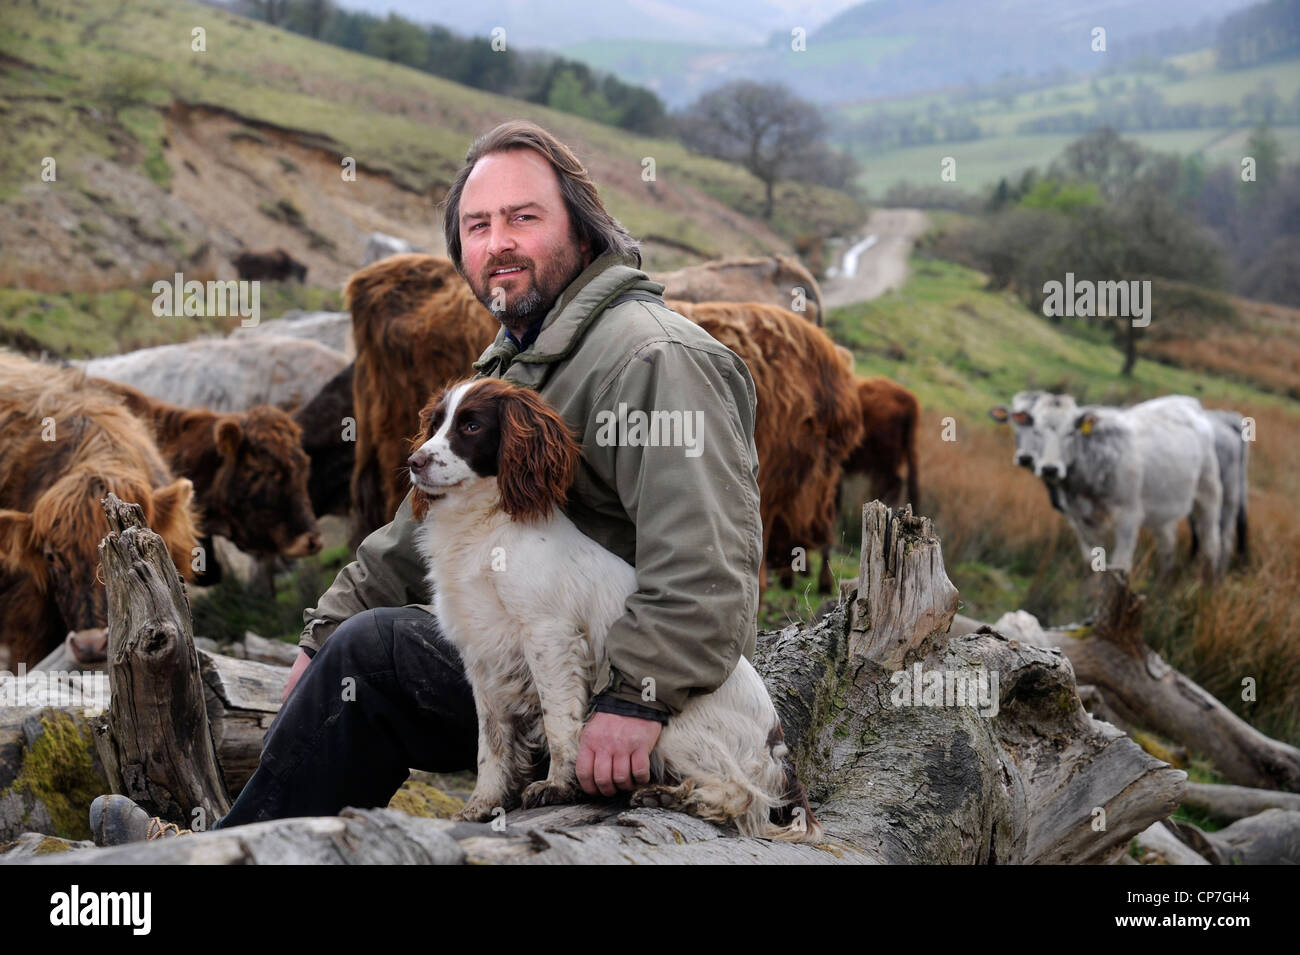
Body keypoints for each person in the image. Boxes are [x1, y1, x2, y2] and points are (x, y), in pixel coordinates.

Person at [90, 119, 762, 846]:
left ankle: (217, 854)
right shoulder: (519, 358)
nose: (497, 241)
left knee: (373, 657)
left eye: (523, 217)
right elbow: (431, 525)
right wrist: (323, 632)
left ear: (585, 226)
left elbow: (710, 565)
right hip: (543, 663)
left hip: (630, 690)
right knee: (353, 654)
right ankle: (248, 843)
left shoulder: (650, 356)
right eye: (477, 225)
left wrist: (638, 699)